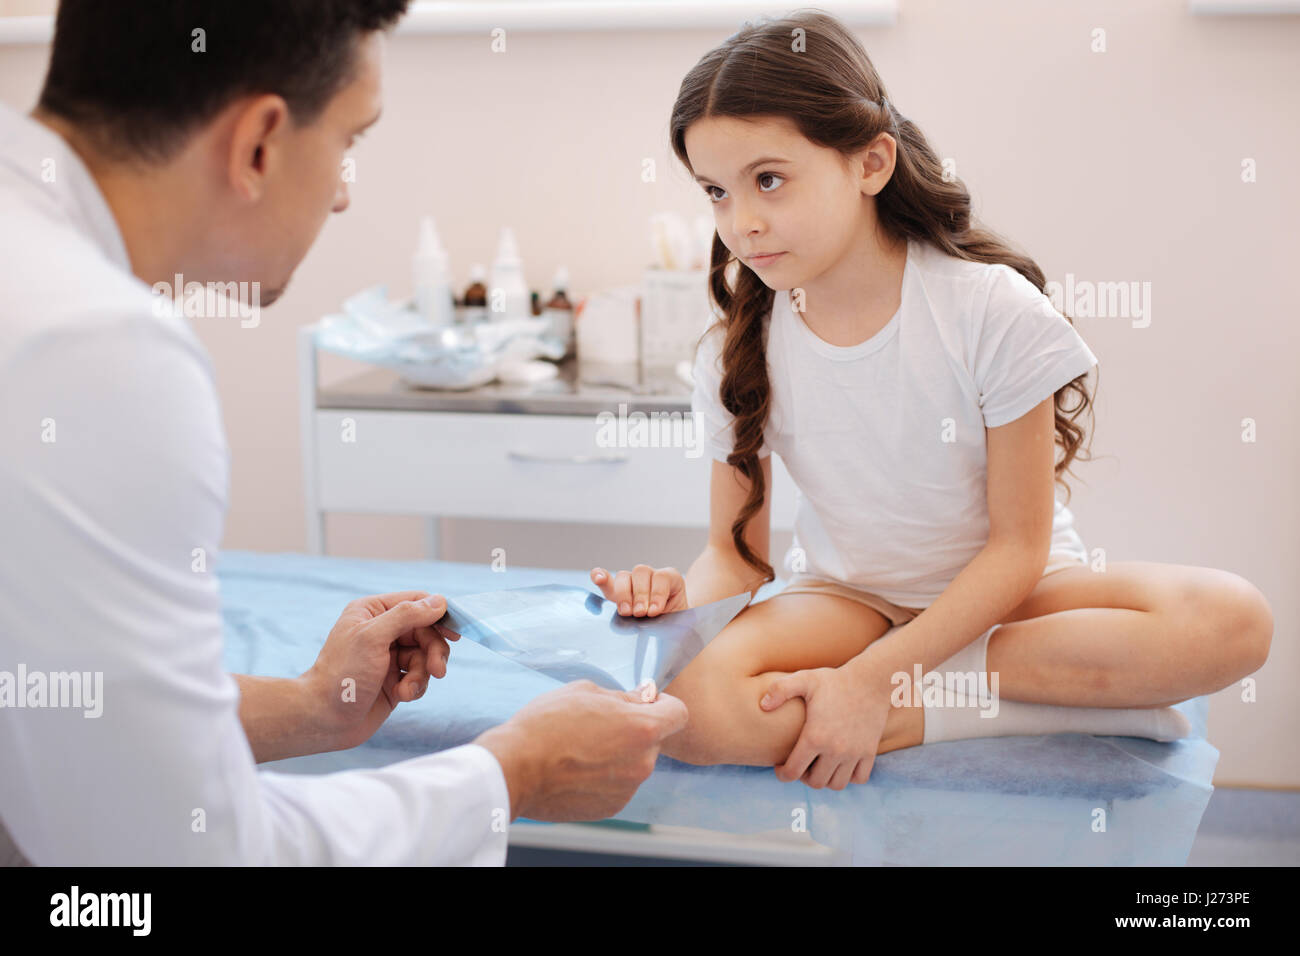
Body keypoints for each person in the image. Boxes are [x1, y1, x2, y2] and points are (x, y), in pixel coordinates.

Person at [0, 0, 685, 866]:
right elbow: (175, 859)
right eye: (350, 142)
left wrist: (312, 705)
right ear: (259, 144)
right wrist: (511, 775)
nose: (345, 192)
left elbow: (65, 707)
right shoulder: (101, 354)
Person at [590, 10, 1273, 792]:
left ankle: (903, 708)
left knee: (1233, 622)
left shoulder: (989, 309)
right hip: (850, 601)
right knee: (694, 709)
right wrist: (680, 599)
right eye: (715, 191)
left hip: (1014, 597)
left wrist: (873, 681)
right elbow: (734, 554)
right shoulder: (737, 349)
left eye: (769, 179)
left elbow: (1017, 549)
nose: (741, 222)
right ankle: (1040, 697)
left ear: (871, 163)